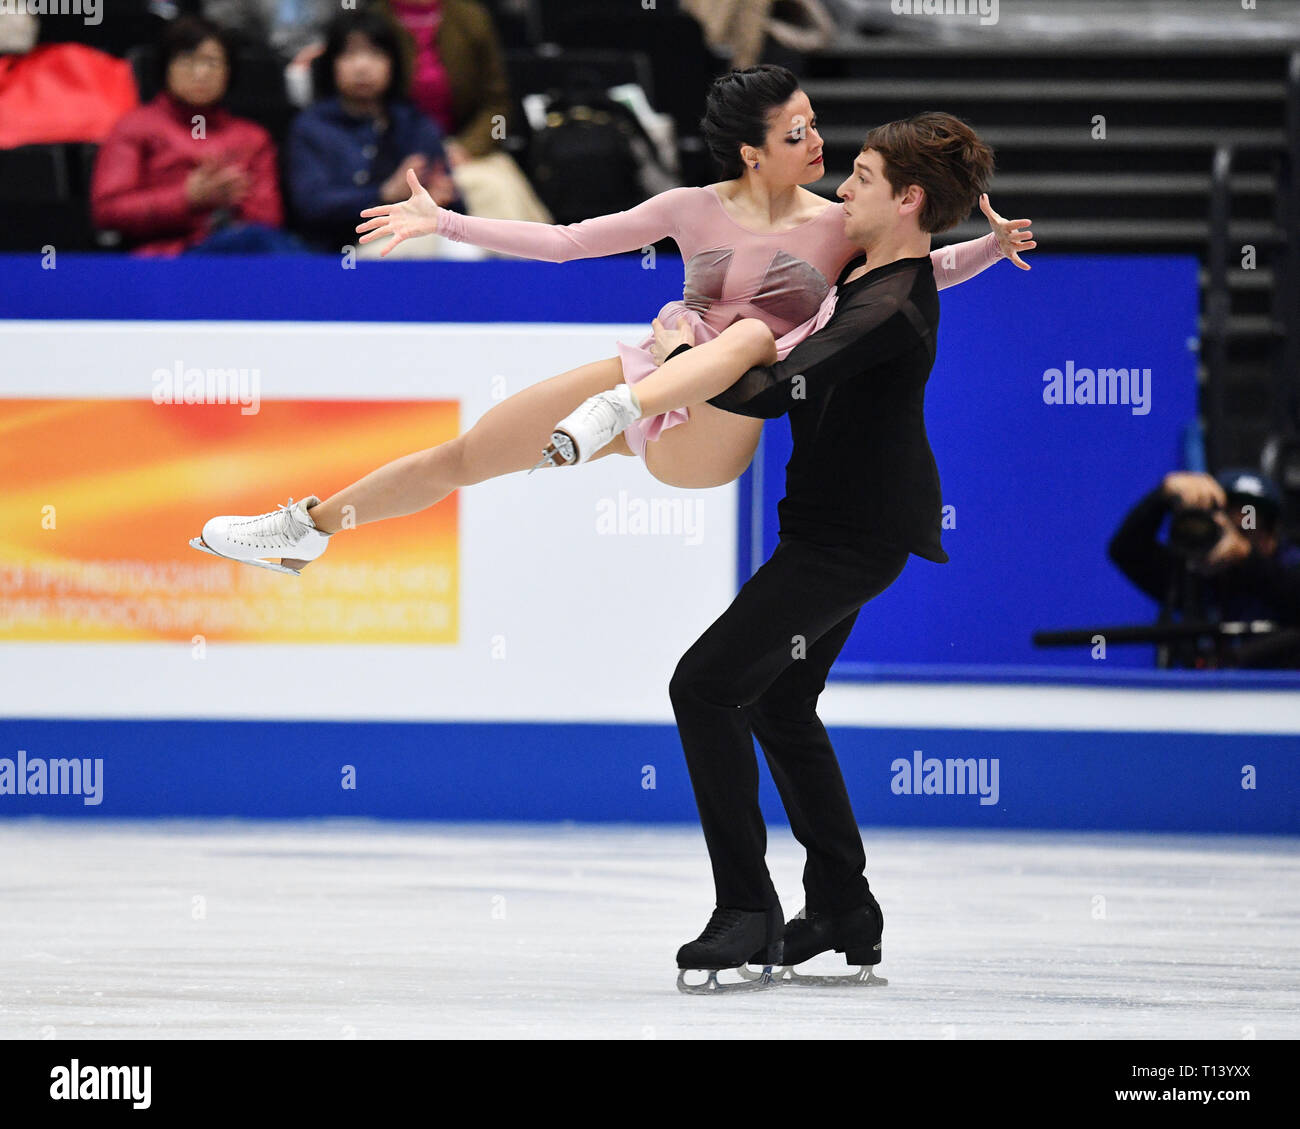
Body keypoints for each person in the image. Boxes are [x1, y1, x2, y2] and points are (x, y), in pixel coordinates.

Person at [191, 67, 1031, 570]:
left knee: (741, 336)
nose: (819, 141)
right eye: (797, 130)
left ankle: (620, 408)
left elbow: (913, 272)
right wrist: (444, 222)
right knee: (468, 452)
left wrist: (988, 250)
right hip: (655, 374)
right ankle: (305, 528)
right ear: (751, 151)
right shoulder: (690, 206)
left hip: (714, 423)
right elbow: (564, 242)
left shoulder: (841, 225)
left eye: (814, 123)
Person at [623, 112, 998, 989]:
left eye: (861, 177)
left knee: (704, 685)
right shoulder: (871, 274)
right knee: (781, 702)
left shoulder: (889, 306)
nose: (841, 188)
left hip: (851, 538)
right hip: (837, 528)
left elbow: (773, 389)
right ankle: (842, 905)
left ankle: (745, 907)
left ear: (907, 199)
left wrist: (682, 355)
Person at [91, 15, 290, 256]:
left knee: (262, 243)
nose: (200, 73)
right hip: (167, 260)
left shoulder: (252, 137)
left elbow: (270, 219)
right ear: (166, 68)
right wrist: (187, 198)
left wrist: (229, 202)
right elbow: (108, 210)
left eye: (212, 62)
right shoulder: (134, 127)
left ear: (230, 71)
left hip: (242, 255)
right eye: (187, 60)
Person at [285, 7, 465, 253]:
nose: (362, 67)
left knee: (467, 241)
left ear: (393, 63)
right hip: (339, 251)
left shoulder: (414, 123)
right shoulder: (311, 127)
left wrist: (441, 199)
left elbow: (455, 202)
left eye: (375, 54)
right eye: (349, 55)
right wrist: (384, 193)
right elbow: (311, 206)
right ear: (331, 64)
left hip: (417, 237)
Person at [1108, 469, 1300, 668]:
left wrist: (1245, 557)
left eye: (1245, 529)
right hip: (1205, 695)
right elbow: (1126, 551)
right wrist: (1161, 497)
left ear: (1272, 536)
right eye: (1224, 527)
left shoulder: (1289, 567)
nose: (1230, 539)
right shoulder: (1194, 577)